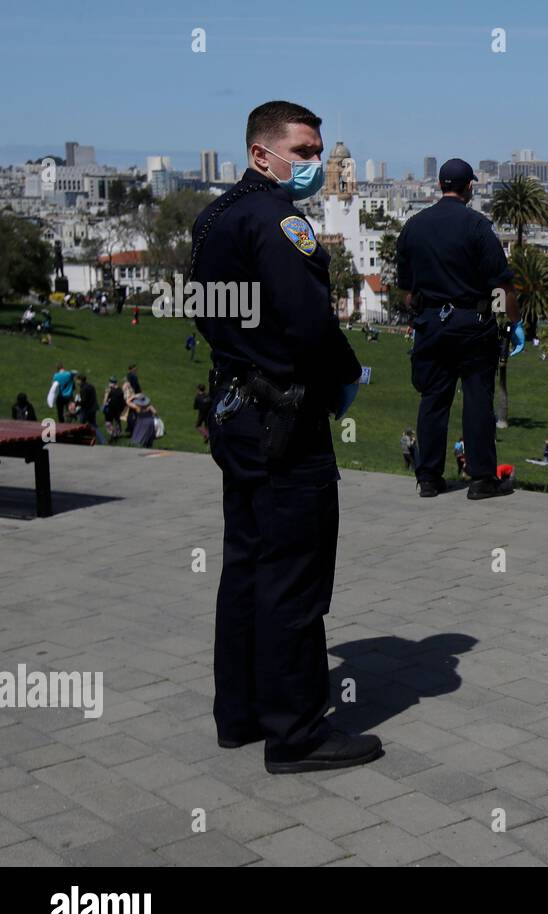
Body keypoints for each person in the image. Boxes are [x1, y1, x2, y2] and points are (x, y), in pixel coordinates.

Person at [190, 100, 379, 773]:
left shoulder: (215, 218)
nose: (315, 165)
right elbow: (306, 324)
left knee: (245, 565)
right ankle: (296, 731)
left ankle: (238, 713)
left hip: (235, 411)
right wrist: (347, 374)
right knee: (293, 576)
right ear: (261, 154)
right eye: (303, 152)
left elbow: (209, 315)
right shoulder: (277, 221)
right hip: (283, 421)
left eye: (319, 152)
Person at [397, 157, 518, 500]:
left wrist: (424, 315)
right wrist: (515, 321)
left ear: (439, 186)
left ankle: (429, 478)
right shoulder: (478, 227)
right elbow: (502, 287)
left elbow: (406, 292)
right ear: (469, 187)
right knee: (478, 399)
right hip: (473, 325)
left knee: (433, 399)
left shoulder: (414, 227)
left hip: (431, 325)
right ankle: (481, 480)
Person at [74, 373, 106, 443]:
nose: (76, 382)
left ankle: (79, 439)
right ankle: (100, 440)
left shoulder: (83, 389)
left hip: (86, 410)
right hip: (93, 408)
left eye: (77, 380)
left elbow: (84, 401)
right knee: (93, 425)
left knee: (81, 425)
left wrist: (77, 403)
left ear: (80, 380)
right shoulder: (90, 386)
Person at [102, 376, 125, 441]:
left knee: (108, 422)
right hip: (118, 409)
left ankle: (113, 434)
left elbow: (105, 401)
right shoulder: (120, 390)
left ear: (112, 383)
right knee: (117, 421)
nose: (109, 384)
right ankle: (117, 433)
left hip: (110, 410)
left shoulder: (109, 390)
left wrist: (106, 393)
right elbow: (122, 401)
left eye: (109, 382)